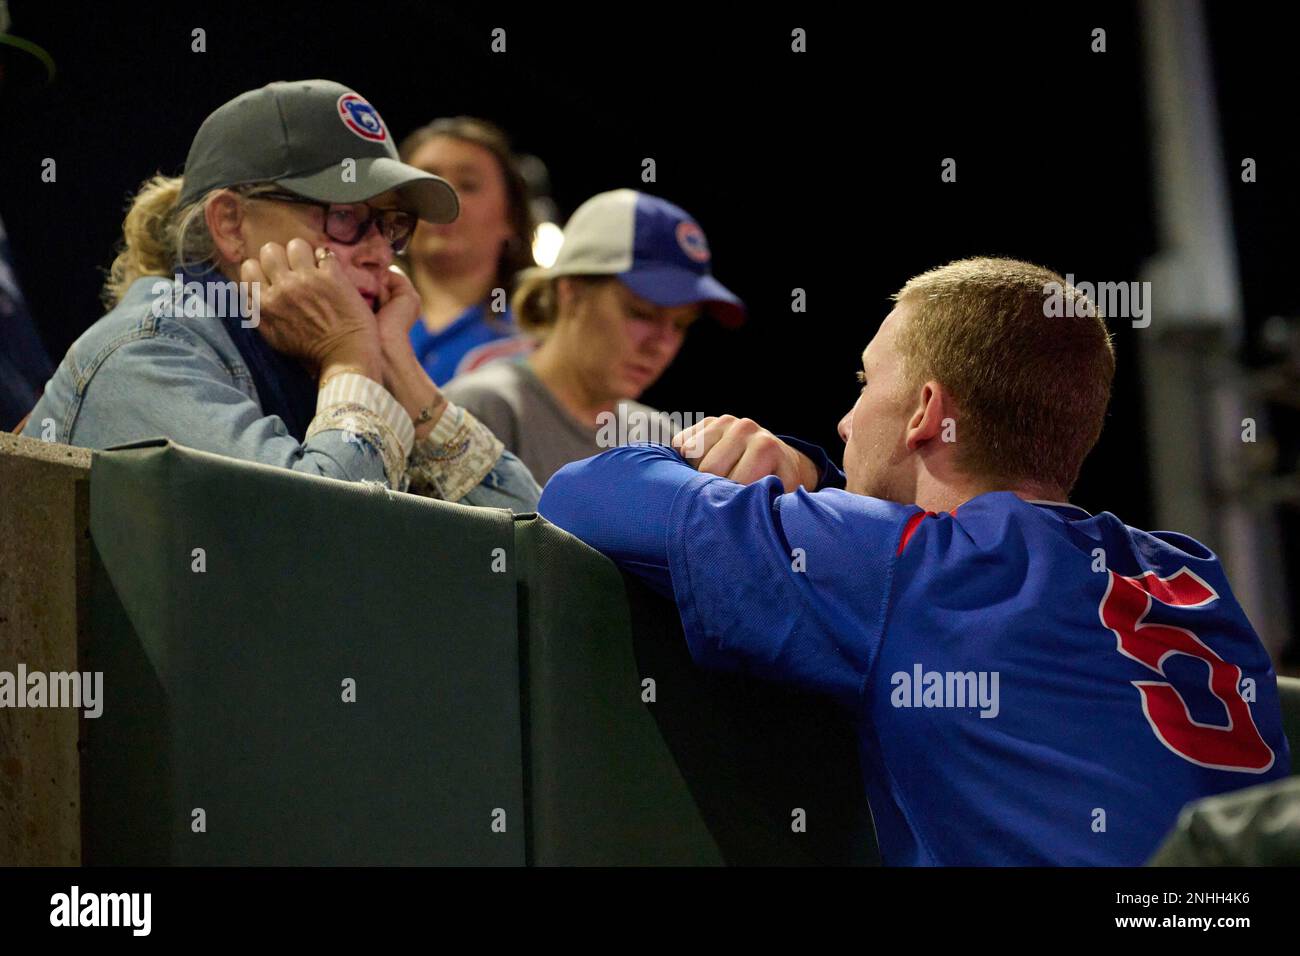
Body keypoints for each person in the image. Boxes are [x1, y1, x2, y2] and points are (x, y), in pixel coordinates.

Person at [538, 256, 1293, 865]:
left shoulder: (907, 563)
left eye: (866, 383)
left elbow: (586, 492)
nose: (844, 417)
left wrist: (800, 474)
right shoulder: (1190, 574)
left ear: (927, 412)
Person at [23, 80, 539, 511]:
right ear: (230, 224)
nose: (380, 253)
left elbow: (531, 542)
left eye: (391, 225)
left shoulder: (302, 352)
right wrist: (352, 360)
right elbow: (318, 547)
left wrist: (398, 364)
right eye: (346, 217)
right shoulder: (150, 351)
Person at [443, 189, 744, 485]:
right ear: (571, 292)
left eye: (681, 324)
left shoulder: (661, 437)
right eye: (641, 313)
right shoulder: (485, 408)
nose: (662, 345)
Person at [398, 117, 537, 384]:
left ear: (511, 216)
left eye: (468, 185)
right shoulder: (356, 314)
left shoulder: (538, 337)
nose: (445, 200)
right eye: (428, 184)